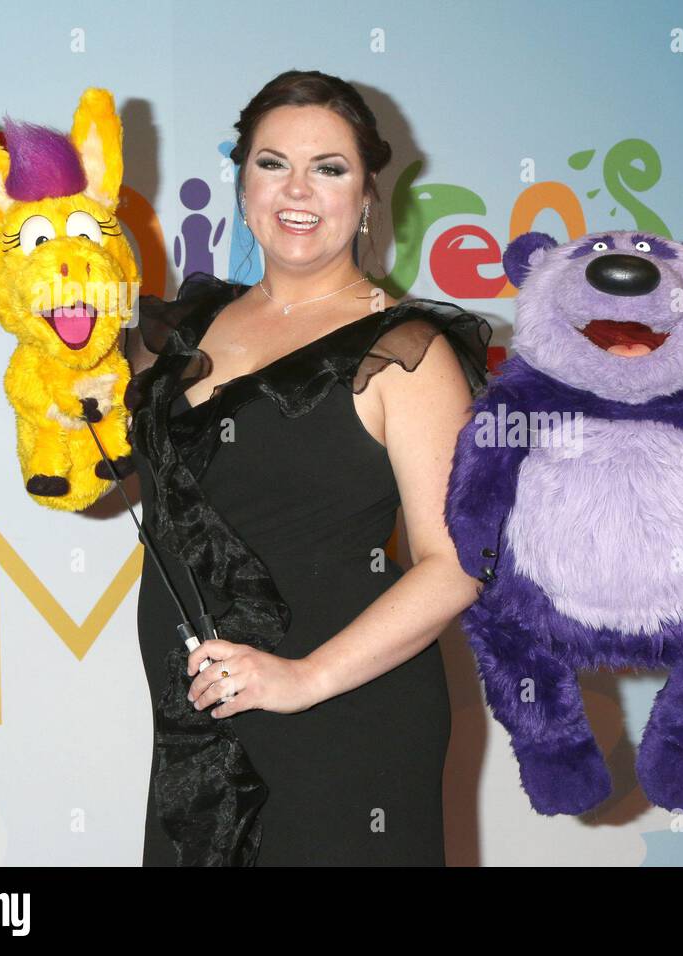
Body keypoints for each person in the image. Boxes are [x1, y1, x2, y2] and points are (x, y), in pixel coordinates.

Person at [121, 70, 491, 866]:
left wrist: (303, 680)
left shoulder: (404, 350)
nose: (298, 190)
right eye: (271, 162)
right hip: (198, 715)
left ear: (366, 197)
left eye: (329, 168)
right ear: (242, 179)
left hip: (343, 715)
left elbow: (458, 562)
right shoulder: (185, 327)